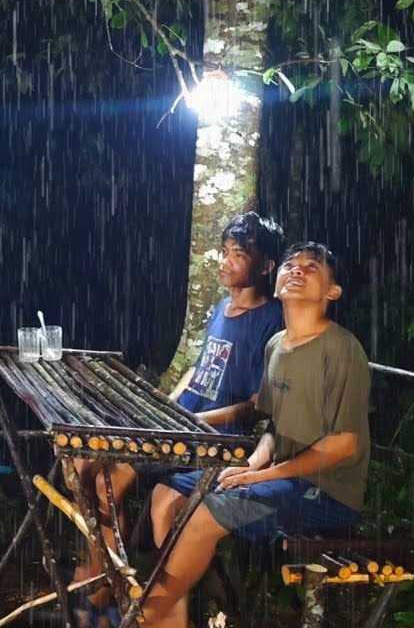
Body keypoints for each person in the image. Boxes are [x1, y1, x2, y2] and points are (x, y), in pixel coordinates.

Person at [70, 212, 285, 627]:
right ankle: (105, 575)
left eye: (237, 255)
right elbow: (202, 367)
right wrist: (168, 401)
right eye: (224, 252)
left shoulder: (272, 322)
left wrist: (195, 418)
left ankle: (125, 592)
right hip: (176, 425)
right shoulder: (224, 306)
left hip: (212, 438)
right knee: (83, 462)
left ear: (265, 266)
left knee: (108, 480)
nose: (224, 261)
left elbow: (262, 403)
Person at [141, 242, 371, 628]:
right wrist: (250, 464)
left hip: (325, 492)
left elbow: (344, 444)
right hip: (280, 477)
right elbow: (276, 427)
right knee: (167, 494)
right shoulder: (276, 345)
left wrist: (261, 476)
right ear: (277, 279)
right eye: (290, 265)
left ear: (333, 292)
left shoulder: (341, 349)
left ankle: (148, 612)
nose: (297, 271)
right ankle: (173, 614)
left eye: (311, 267)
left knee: (205, 512)